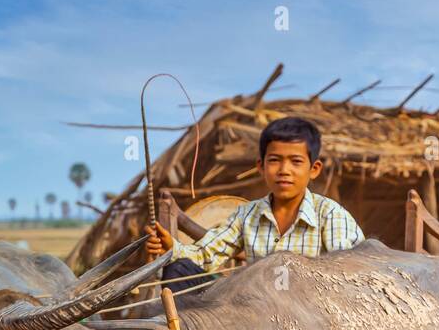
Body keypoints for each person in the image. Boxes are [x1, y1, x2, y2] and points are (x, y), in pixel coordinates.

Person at [145, 116, 364, 291]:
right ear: (261, 166)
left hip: (312, 318)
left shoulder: (331, 215)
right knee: (178, 268)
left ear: (313, 169)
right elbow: (205, 256)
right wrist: (172, 249)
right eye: (275, 160)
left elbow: (349, 278)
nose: (284, 170)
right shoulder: (246, 215)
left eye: (296, 162)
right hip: (253, 316)